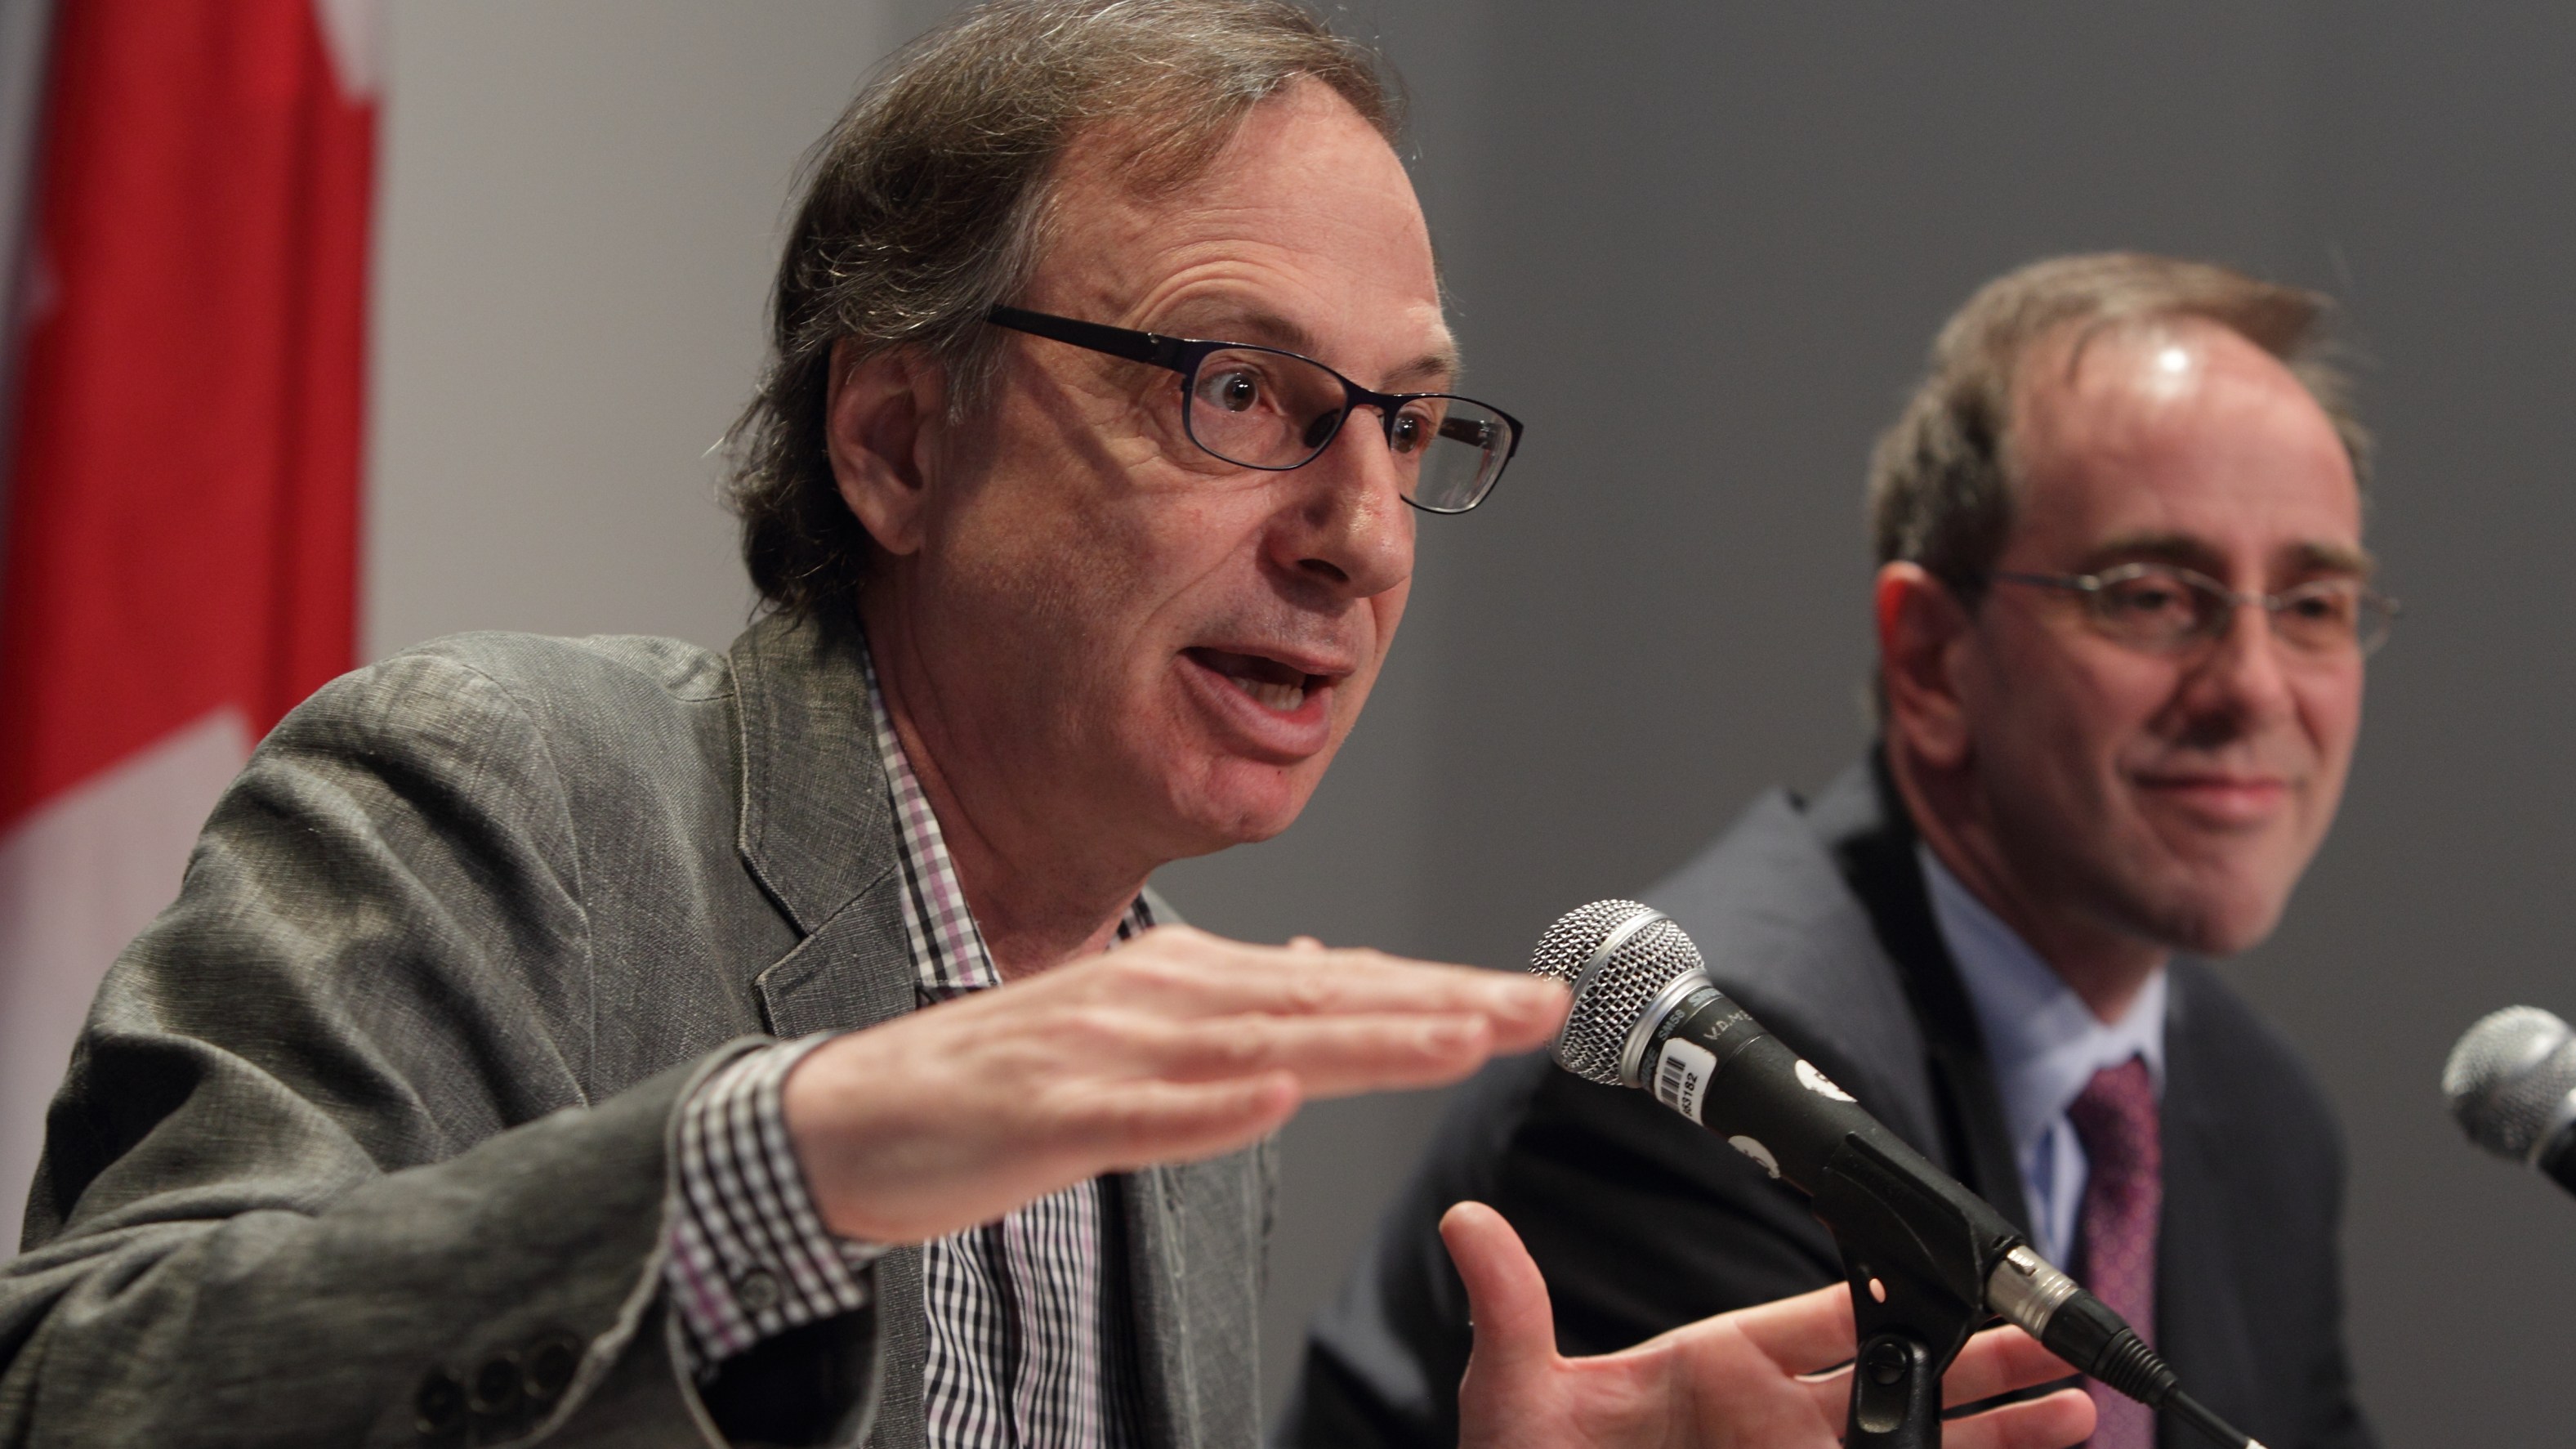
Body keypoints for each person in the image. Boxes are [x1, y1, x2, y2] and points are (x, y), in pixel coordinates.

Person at [0, 5, 2095, 1448]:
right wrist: (776, 1164)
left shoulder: (1169, 1051)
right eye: (1237, 392)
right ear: (900, 436)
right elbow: (87, 1388)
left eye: (1411, 420)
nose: (1359, 530)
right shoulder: (500, 797)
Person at [1282, 252, 2388, 1449]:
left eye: (2313, 605)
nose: (2255, 687)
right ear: (1928, 662)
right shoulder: (1723, 1068)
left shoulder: (2256, 1113)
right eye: (2153, 596)